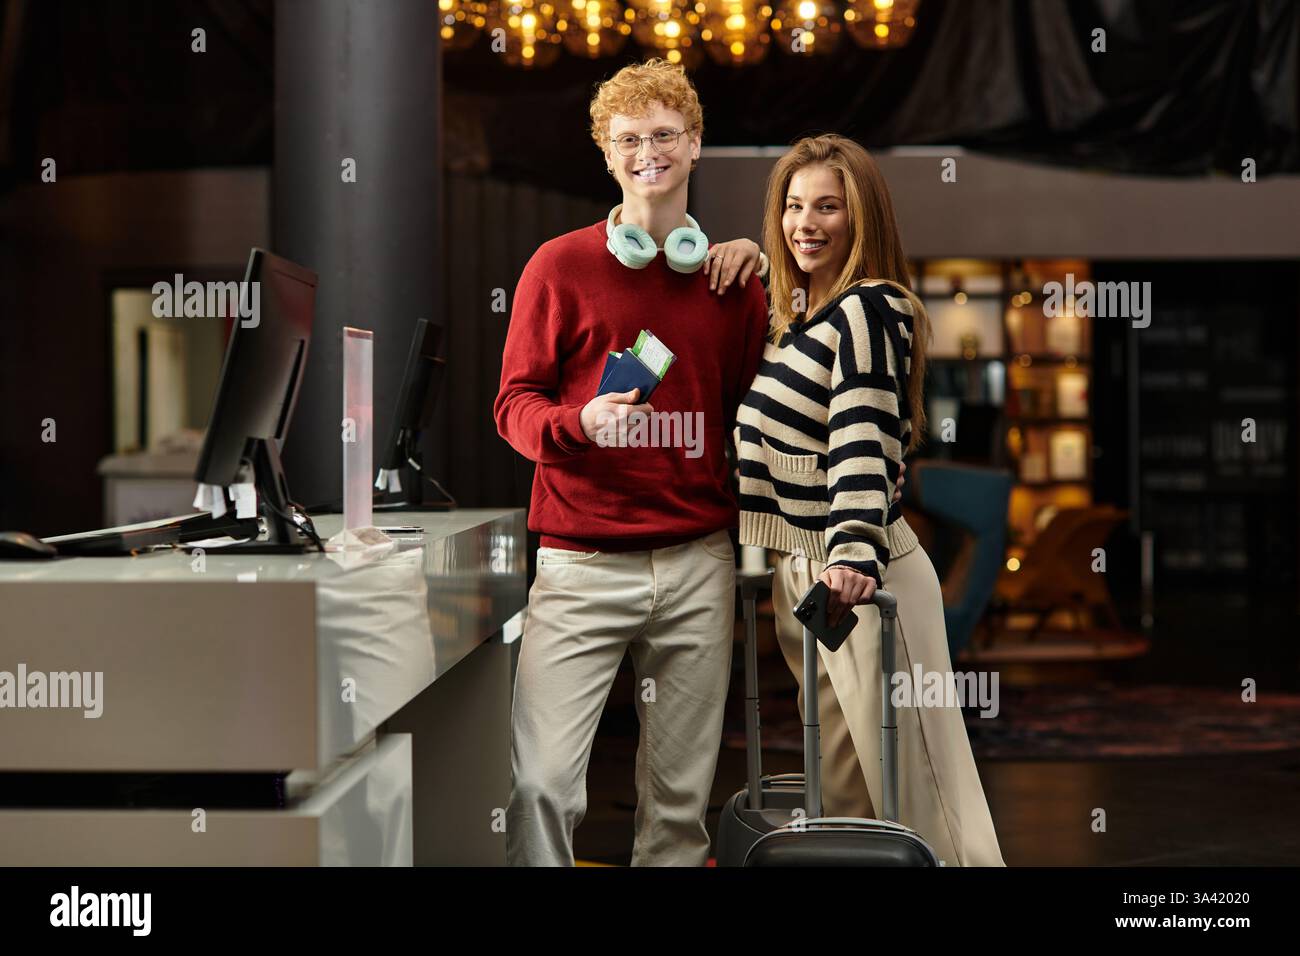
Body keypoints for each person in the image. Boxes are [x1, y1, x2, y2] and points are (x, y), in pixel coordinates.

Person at [493, 58, 772, 866]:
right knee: (542, 786)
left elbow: (768, 406)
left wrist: (763, 263)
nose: (646, 151)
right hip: (580, 565)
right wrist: (580, 421)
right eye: (627, 140)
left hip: (697, 564)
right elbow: (512, 409)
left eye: (663, 135)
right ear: (606, 155)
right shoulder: (558, 266)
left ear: (693, 145)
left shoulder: (731, 285)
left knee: (679, 811)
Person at [731, 133, 1006, 866]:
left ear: (863, 218)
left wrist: (852, 548)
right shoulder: (796, 318)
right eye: (793, 206)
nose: (806, 223)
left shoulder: (870, 308)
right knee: (846, 795)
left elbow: (863, 432)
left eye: (829, 206)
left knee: (923, 791)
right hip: (807, 573)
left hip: (859, 575)